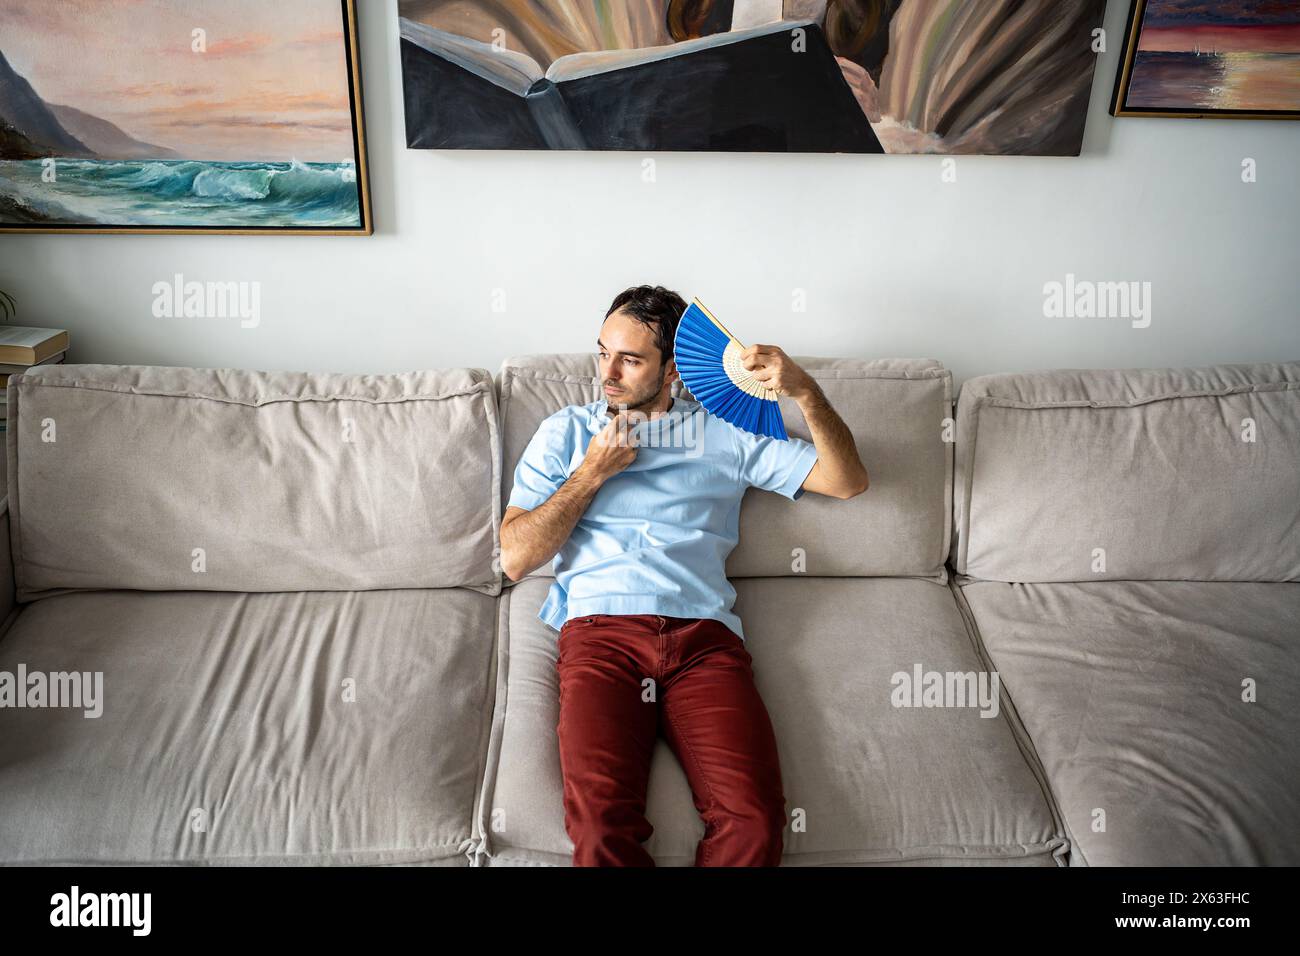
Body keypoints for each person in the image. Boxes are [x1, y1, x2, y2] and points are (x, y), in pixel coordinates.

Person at [500, 284, 869, 866]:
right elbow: (516, 557)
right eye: (602, 353)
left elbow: (847, 481)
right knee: (600, 830)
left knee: (755, 823)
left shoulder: (726, 431)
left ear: (672, 369)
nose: (608, 373)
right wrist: (592, 473)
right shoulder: (567, 432)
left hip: (704, 641)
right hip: (601, 634)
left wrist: (805, 392)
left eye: (630, 359)